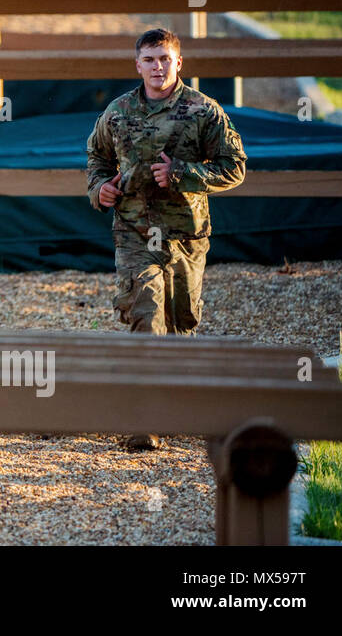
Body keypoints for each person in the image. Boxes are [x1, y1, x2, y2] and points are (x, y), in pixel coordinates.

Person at [86, 28, 246, 451]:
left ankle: (179, 406)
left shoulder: (203, 111)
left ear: (179, 63)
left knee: (181, 324)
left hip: (184, 236)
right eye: (150, 59)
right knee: (146, 314)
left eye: (165, 59)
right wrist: (99, 190)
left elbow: (235, 166)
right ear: (137, 64)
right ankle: (144, 419)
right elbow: (96, 158)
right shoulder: (117, 112)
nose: (158, 67)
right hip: (135, 233)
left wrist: (182, 174)